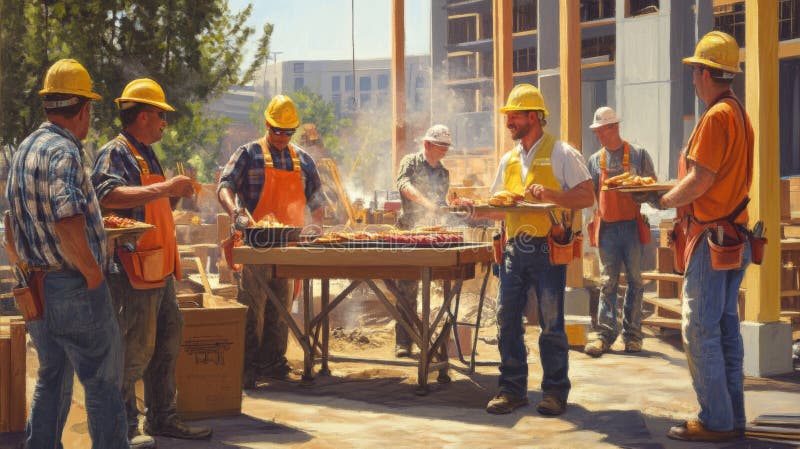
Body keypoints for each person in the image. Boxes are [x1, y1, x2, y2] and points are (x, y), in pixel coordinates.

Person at [5, 59, 129, 448]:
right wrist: (93, 275)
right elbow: (66, 218)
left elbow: (9, 226)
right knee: (103, 381)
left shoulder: (25, 149)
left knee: (52, 377)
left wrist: (24, 270)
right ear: (84, 109)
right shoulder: (65, 152)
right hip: (73, 285)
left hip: (38, 287)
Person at [92, 78, 212, 444]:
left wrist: (175, 195)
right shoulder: (116, 151)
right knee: (134, 352)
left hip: (158, 269)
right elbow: (107, 194)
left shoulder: (146, 152)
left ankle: (162, 418)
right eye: (161, 116)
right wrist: (165, 188)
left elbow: (149, 203)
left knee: (166, 345)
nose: (165, 123)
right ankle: (122, 428)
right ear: (144, 115)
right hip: (131, 270)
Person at [655, 31, 753, 442]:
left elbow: (701, 179)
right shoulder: (738, 112)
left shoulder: (716, 116)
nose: (693, 80)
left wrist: (663, 200)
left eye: (695, 73)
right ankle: (730, 417)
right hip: (733, 237)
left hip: (712, 239)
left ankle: (716, 420)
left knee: (699, 329)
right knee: (724, 328)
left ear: (704, 73)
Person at [485, 84, 594, 416]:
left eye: (515, 115)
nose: (509, 122)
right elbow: (497, 205)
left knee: (551, 323)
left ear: (534, 116)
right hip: (515, 249)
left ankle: (555, 392)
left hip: (548, 249)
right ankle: (512, 389)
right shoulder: (509, 160)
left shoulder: (562, 152)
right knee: (506, 319)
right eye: (509, 116)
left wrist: (551, 194)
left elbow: (587, 196)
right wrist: (471, 208)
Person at [217, 94, 324, 388]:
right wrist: (236, 211)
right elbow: (224, 186)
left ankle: (274, 364)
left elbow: (318, 201)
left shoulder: (303, 160)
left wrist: (317, 228)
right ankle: (248, 368)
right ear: (266, 123)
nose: (281, 137)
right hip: (255, 244)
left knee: (280, 309)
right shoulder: (248, 153)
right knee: (253, 307)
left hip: (288, 246)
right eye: (276, 130)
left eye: (287, 132)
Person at [584, 106, 656, 357]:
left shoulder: (638, 155)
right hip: (607, 229)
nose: (598, 135)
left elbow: (652, 188)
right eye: (596, 132)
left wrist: (638, 191)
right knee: (607, 282)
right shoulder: (595, 161)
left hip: (631, 227)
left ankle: (633, 336)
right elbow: (591, 194)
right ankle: (605, 334)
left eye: (601, 130)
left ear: (614, 127)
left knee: (635, 280)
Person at [389, 124, 453, 357]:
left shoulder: (444, 173)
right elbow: (404, 185)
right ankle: (404, 342)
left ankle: (434, 341)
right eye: (441, 146)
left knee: (435, 289)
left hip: (432, 235)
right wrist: (428, 204)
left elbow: (442, 204)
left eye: (446, 147)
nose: (445, 151)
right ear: (427, 145)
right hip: (409, 233)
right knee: (406, 288)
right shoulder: (411, 162)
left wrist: (451, 207)